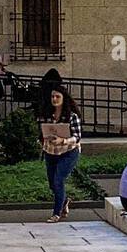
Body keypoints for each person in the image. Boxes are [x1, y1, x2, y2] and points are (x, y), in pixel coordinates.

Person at [40, 85, 82, 222]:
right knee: (52, 183)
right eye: (52, 96)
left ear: (64, 98)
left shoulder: (72, 116)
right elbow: (41, 131)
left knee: (59, 179)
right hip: (50, 151)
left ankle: (56, 213)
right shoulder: (47, 115)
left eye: (58, 96)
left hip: (68, 152)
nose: (54, 99)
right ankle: (64, 201)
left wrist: (63, 140)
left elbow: (77, 137)